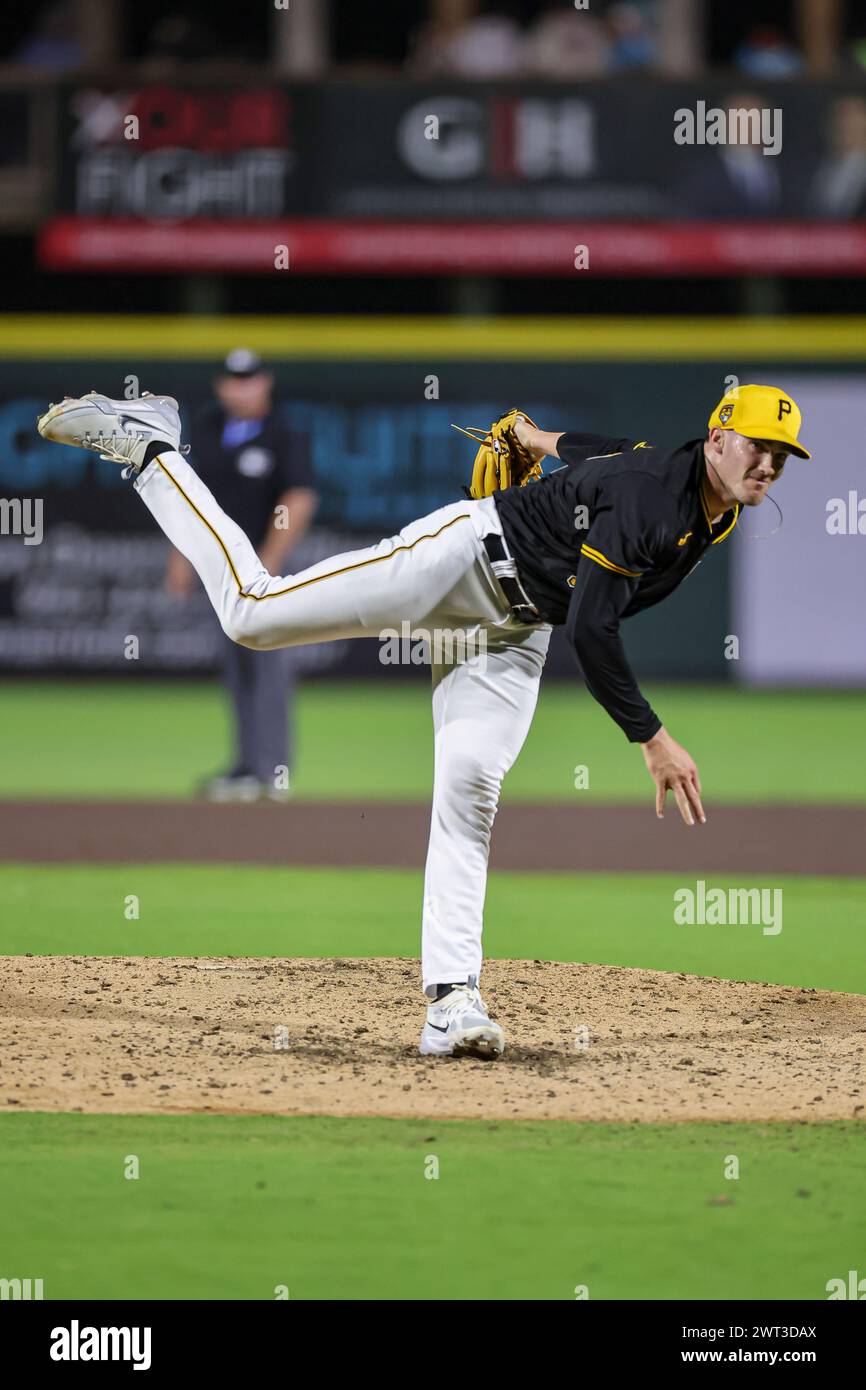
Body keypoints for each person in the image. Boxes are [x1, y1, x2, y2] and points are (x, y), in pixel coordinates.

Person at [37, 383, 810, 1056]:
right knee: (252, 612)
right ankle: (151, 447)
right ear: (716, 438)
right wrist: (653, 739)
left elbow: (609, 450)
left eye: (781, 454)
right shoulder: (655, 497)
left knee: (471, 789)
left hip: (514, 629)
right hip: (463, 560)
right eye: (757, 445)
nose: (768, 464)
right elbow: (597, 631)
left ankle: (451, 1005)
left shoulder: (703, 497)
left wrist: (538, 438)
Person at [164, 349, 317, 800]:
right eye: (233, 379)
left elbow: (299, 498)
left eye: (249, 379)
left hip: (265, 570)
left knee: (266, 665)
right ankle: (247, 767)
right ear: (221, 385)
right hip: (218, 570)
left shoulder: (285, 432)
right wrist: (180, 557)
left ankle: (273, 772)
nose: (241, 387)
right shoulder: (208, 428)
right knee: (236, 669)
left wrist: (268, 562)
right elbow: (186, 497)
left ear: (265, 382)